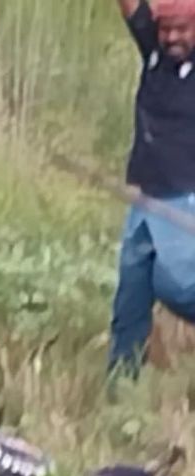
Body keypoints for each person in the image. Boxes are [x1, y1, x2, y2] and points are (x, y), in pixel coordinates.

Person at [107, 0, 195, 379]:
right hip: (143, 198)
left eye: (182, 28)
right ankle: (120, 387)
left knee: (176, 285)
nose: (172, 37)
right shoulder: (155, 53)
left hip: (184, 199)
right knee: (131, 297)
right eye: (166, 29)